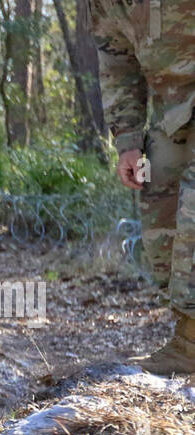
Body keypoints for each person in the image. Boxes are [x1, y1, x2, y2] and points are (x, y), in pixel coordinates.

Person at [93, 0, 195, 374]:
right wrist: (129, 141)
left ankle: (191, 344)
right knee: (160, 206)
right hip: (175, 111)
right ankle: (188, 328)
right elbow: (118, 62)